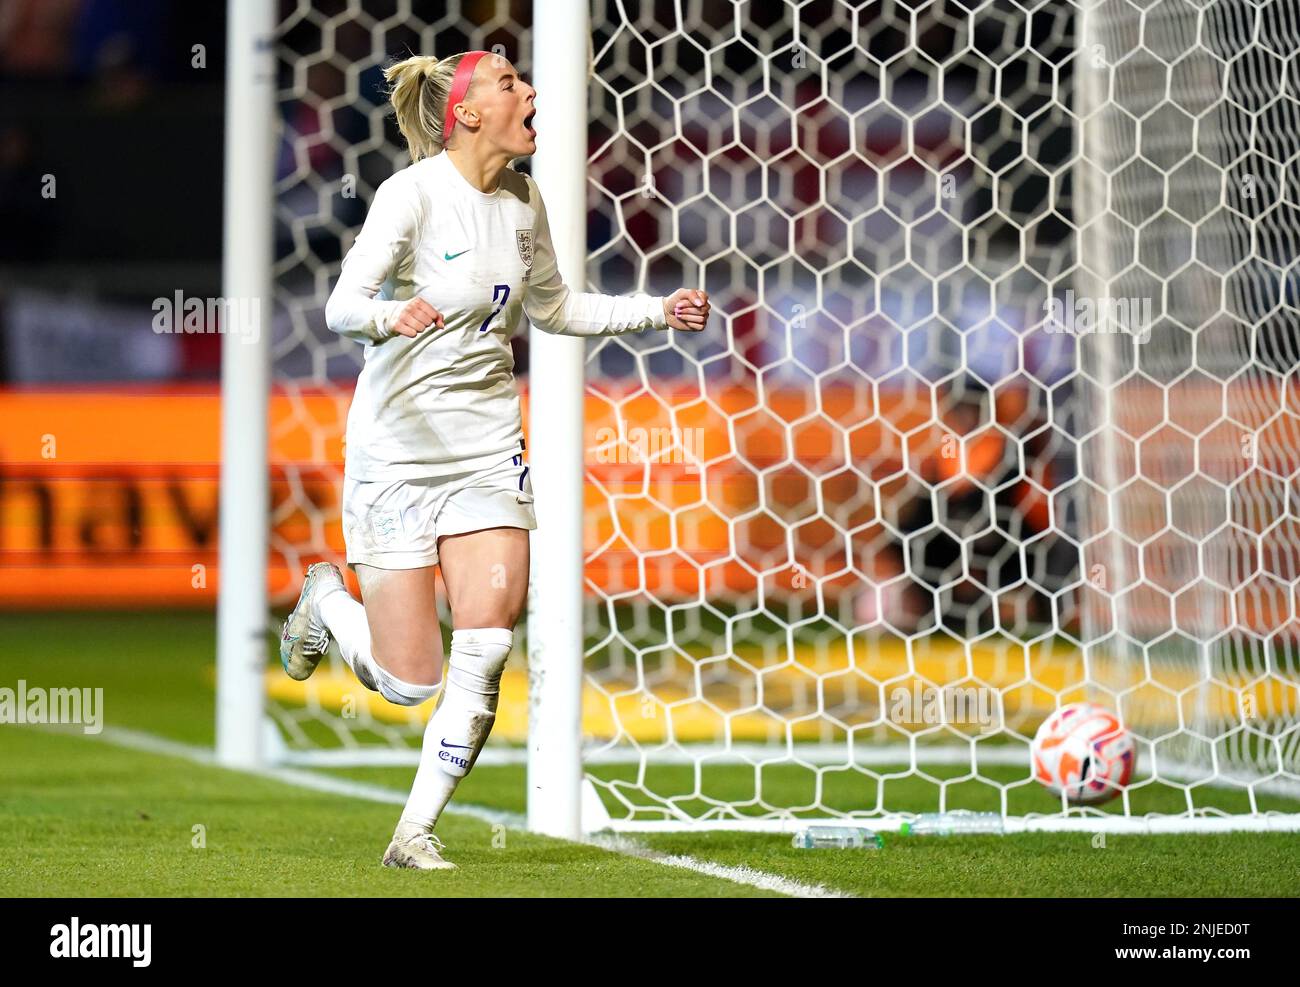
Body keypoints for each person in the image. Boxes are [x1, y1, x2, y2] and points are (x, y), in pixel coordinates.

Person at [279, 50, 710, 869]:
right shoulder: (410, 195)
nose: (531, 91)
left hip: (486, 449)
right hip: (399, 450)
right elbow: (340, 305)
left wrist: (658, 310)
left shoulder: (522, 201)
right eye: (510, 81)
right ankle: (326, 600)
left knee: (487, 647)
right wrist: (386, 315)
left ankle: (413, 832)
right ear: (468, 112)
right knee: (408, 681)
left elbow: (555, 307)